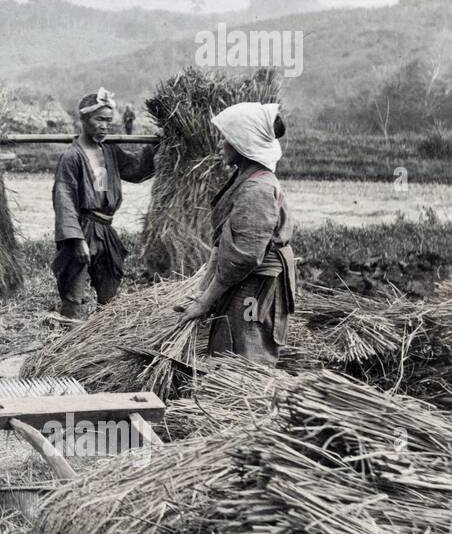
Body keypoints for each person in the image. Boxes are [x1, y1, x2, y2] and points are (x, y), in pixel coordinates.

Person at [175, 103, 295, 363]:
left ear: (243, 144)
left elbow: (244, 257)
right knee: (229, 346)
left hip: (255, 286)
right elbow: (224, 244)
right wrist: (203, 289)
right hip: (245, 279)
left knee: (246, 354)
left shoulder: (257, 190)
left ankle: (246, 402)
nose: (220, 144)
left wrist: (206, 301)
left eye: (227, 139)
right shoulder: (245, 178)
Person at [51, 87, 156, 318]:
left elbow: (136, 170)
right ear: (84, 119)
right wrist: (77, 240)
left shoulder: (110, 150)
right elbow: (64, 199)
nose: (104, 126)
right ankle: (69, 338)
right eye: (99, 120)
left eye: (108, 121)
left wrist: (156, 147)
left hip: (106, 229)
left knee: (110, 287)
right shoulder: (72, 157)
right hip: (82, 227)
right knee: (74, 289)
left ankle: (104, 336)